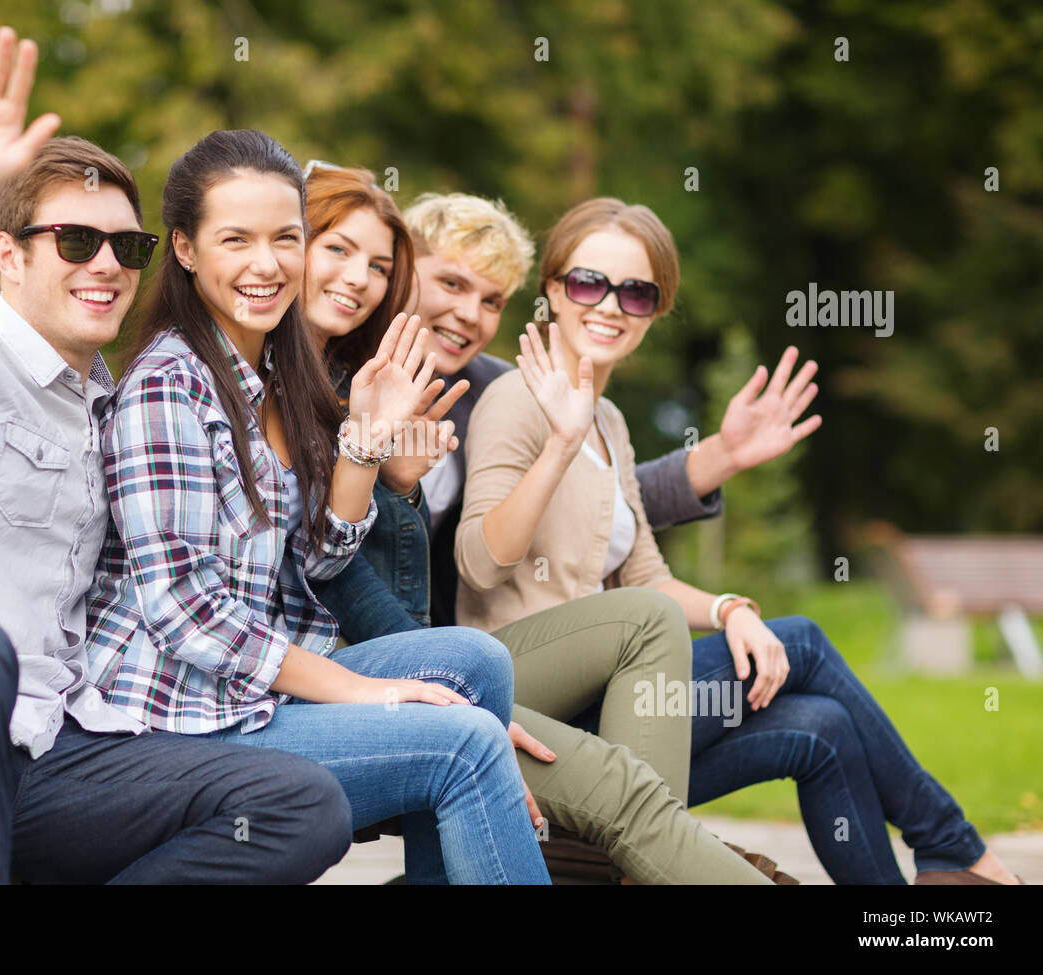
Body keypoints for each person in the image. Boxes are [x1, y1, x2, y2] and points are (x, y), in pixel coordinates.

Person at [0, 25, 354, 885]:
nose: (109, 265)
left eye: (128, 246)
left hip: (43, 754)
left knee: (303, 803)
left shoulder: (114, 410)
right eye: (76, 241)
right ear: (6, 256)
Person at [456, 195, 1022, 885]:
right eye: (587, 282)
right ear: (551, 290)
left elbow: (647, 574)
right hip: (535, 700)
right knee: (806, 640)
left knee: (822, 729)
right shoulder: (517, 400)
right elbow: (481, 564)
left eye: (636, 292)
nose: (609, 305)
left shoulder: (608, 420)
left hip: (619, 700)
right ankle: (954, 845)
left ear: (656, 311)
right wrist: (558, 444)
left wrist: (730, 608)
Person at [83, 130, 549, 884]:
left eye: (285, 238)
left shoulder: (272, 371)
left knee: (477, 661)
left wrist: (362, 444)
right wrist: (367, 690)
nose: (267, 264)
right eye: (236, 238)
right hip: (177, 720)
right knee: (463, 740)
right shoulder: (172, 383)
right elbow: (181, 606)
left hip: (240, 695)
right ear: (187, 249)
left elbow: (316, 562)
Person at [301, 166, 771, 883]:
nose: (468, 312)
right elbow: (348, 565)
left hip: (456, 660)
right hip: (398, 667)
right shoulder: (350, 389)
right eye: (450, 284)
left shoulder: (493, 382)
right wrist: (382, 474)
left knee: (804, 717)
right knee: (637, 764)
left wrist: (711, 473)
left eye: (490, 298)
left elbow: (607, 514)